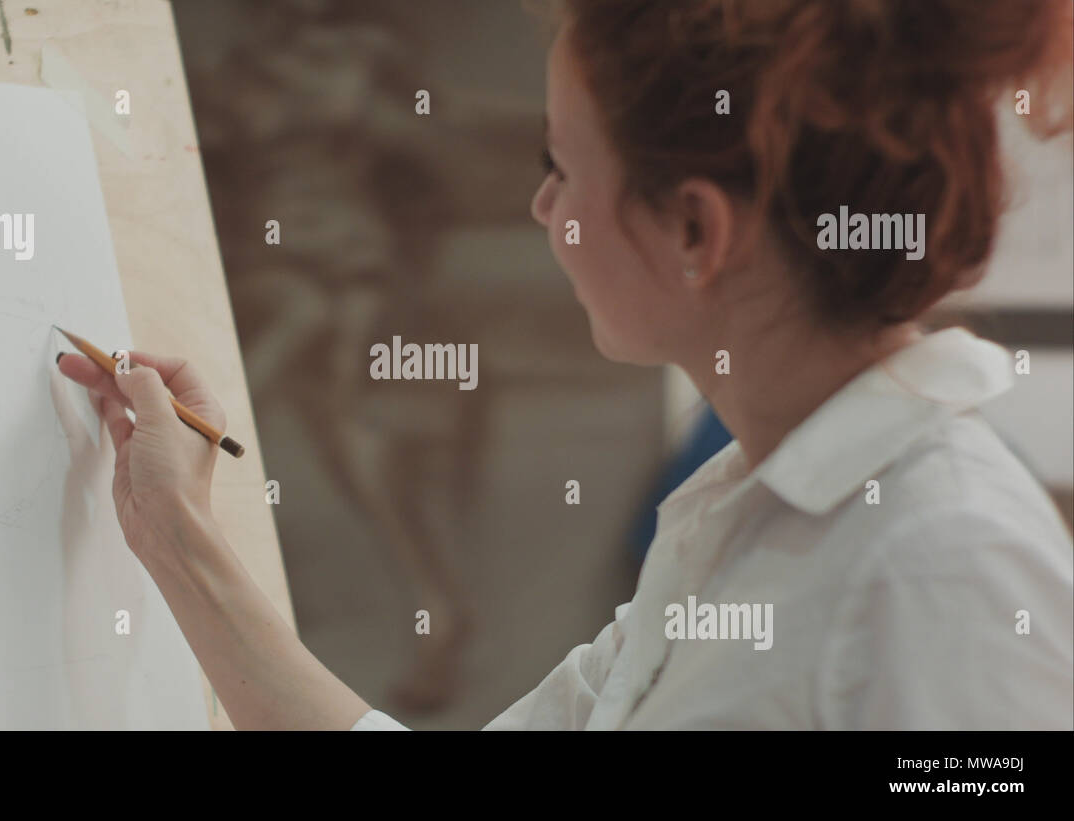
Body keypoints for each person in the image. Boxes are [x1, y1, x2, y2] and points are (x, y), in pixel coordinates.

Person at [58, 0, 1074, 729]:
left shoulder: (945, 561)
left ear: (691, 227)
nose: (542, 209)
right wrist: (175, 537)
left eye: (561, 168)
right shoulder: (735, 522)